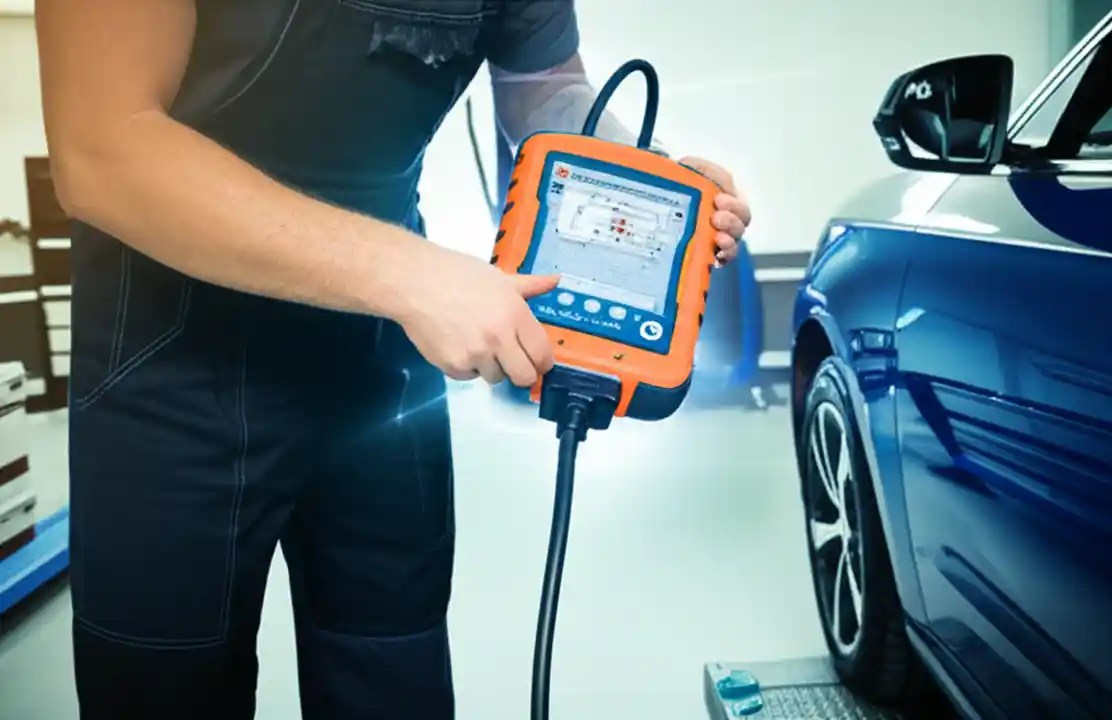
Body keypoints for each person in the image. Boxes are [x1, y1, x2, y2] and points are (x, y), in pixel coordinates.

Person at [34, 1, 751, 717]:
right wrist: (411, 277)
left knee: (391, 678)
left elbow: (546, 88)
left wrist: (648, 186)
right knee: (166, 688)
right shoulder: (401, 281)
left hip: (378, 358)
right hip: (173, 353)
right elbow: (103, 147)